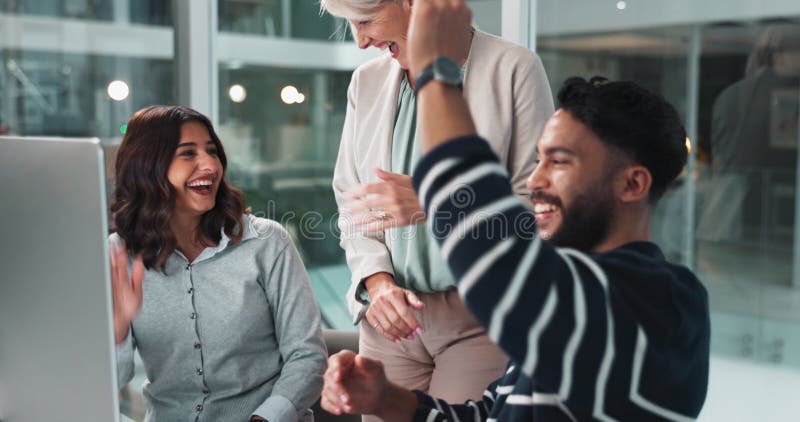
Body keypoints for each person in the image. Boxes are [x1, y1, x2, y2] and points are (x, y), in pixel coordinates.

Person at [320, 1, 710, 421]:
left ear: (633, 184)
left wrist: (436, 71)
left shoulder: (656, 301)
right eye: (539, 159)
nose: (536, 181)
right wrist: (385, 399)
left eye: (559, 162)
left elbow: (494, 257)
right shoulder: (554, 308)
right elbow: (485, 414)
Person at [321, 0, 554, 408]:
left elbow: (541, 209)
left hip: (479, 316)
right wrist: (376, 284)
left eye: (365, 21)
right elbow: (352, 201)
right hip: (390, 319)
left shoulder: (515, 67)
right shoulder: (366, 81)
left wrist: (437, 203)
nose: (361, 42)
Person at [110, 105, 327, 422]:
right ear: (148, 166)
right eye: (188, 154)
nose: (210, 165)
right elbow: (104, 385)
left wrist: (263, 419)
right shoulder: (118, 256)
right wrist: (116, 332)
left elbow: (308, 356)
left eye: (212, 151)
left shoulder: (267, 242)